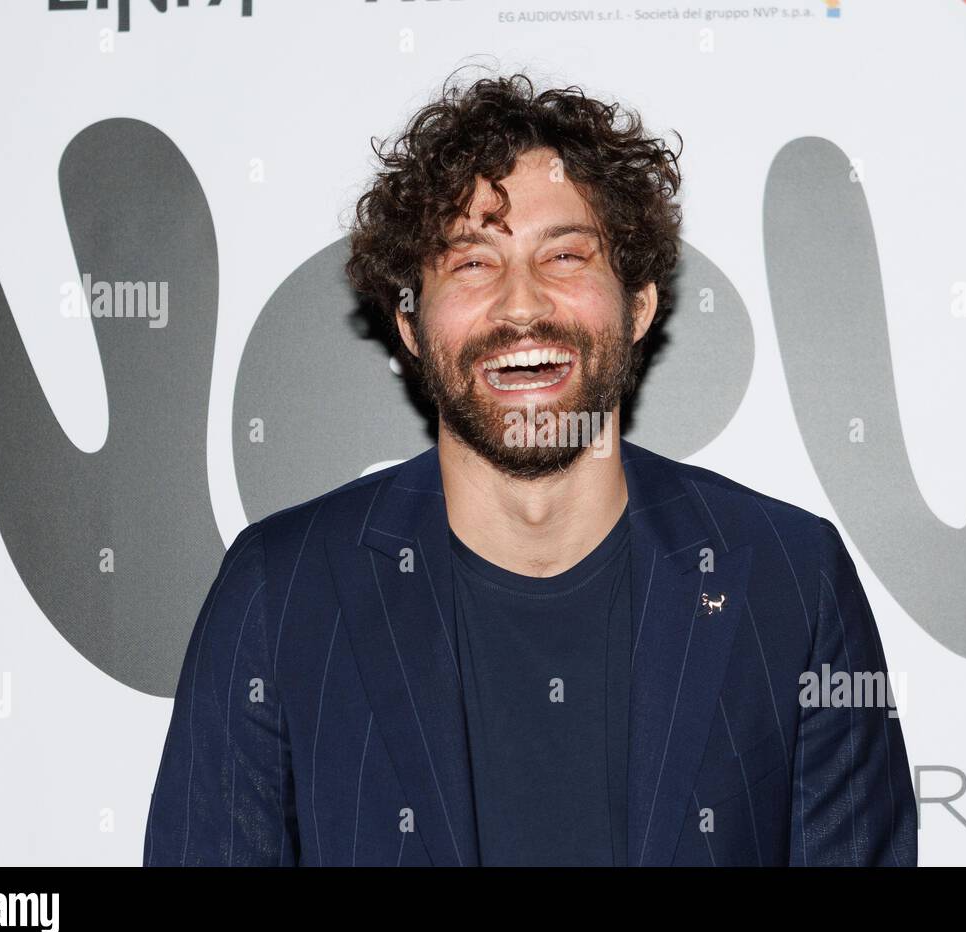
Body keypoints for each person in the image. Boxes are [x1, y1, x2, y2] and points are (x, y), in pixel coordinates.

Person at [143, 69, 917, 866]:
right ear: (410, 323)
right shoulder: (282, 589)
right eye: (472, 264)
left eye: (567, 257)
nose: (521, 306)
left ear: (640, 305)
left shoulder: (787, 576)